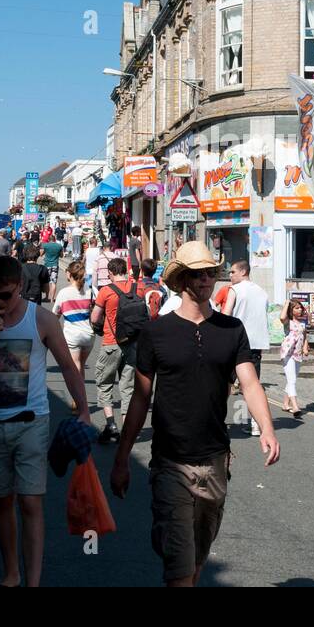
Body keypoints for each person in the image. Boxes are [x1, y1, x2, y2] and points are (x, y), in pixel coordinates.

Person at [108, 240, 278, 587]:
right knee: (180, 568)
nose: (206, 281)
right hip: (170, 461)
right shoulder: (156, 332)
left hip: (215, 461)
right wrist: (123, 458)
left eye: (211, 274)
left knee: (197, 559)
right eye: (198, 274)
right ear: (182, 279)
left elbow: (249, 383)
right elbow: (141, 398)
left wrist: (267, 428)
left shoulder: (232, 330)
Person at [0, 255, 90, 587]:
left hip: (32, 421)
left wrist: (82, 409)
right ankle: (11, 573)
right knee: (2, 501)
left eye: (6, 295)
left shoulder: (41, 320)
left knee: (30, 501)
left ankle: (33, 582)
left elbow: (68, 367)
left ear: (21, 287)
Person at [89, 257, 142, 445]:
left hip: (111, 344)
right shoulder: (137, 288)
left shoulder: (106, 291)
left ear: (110, 273)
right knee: (127, 387)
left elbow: (95, 318)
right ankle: (128, 429)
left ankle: (111, 426)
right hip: (133, 344)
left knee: (105, 384)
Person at [223, 260, 270, 438]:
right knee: (253, 385)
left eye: (233, 272)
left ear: (243, 272)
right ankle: (256, 425)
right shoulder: (262, 292)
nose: (230, 275)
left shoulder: (235, 290)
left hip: (235, 342)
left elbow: (226, 314)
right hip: (255, 345)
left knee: (225, 383)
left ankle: (217, 419)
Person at [54, 260, 96, 412]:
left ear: (69, 274)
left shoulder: (64, 293)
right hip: (88, 335)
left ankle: (78, 401)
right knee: (80, 367)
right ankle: (78, 399)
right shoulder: (90, 291)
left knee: (75, 369)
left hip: (73, 335)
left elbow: (55, 315)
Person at [278, 299, 309, 416]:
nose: (300, 309)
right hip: (288, 353)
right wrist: (286, 303)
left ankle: (286, 404)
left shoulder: (302, 324)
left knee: (291, 379)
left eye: (300, 307)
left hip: (297, 354)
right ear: (291, 311)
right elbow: (281, 317)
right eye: (296, 308)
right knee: (292, 380)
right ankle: (295, 406)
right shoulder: (288, 322)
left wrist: (305, 348)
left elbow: (305, 337)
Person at [40, 233, 65, 299]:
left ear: (48, 239)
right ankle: (52, 298)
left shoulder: (45, 245)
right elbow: (61, 256)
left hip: (47, 265)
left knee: (47, 282)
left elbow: (41, 254)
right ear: (55, 239)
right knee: (54, 282)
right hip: (55, 265)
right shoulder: (59, 246)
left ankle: (46, 297)